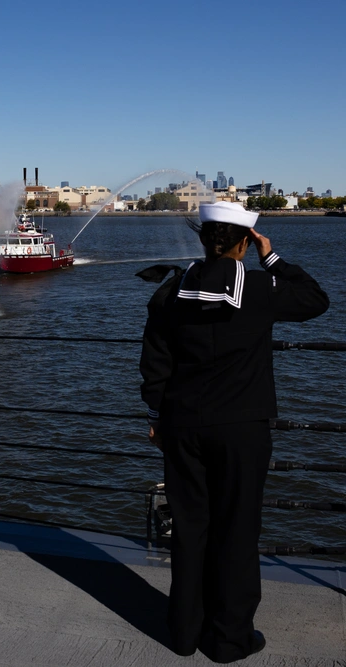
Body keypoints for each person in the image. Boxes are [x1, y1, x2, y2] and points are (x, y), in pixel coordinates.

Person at [139, 201, 328, 662]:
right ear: (245, 241)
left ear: (204, 239)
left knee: (189, 529)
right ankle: (228, 639)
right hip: (242, 427)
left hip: (181, 427)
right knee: (237, 533)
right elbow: (316, 300)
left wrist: (159, 418)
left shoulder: (171, 289)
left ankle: (183, 634)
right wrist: (273, 257)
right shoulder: (262, 286)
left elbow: (155, 364)